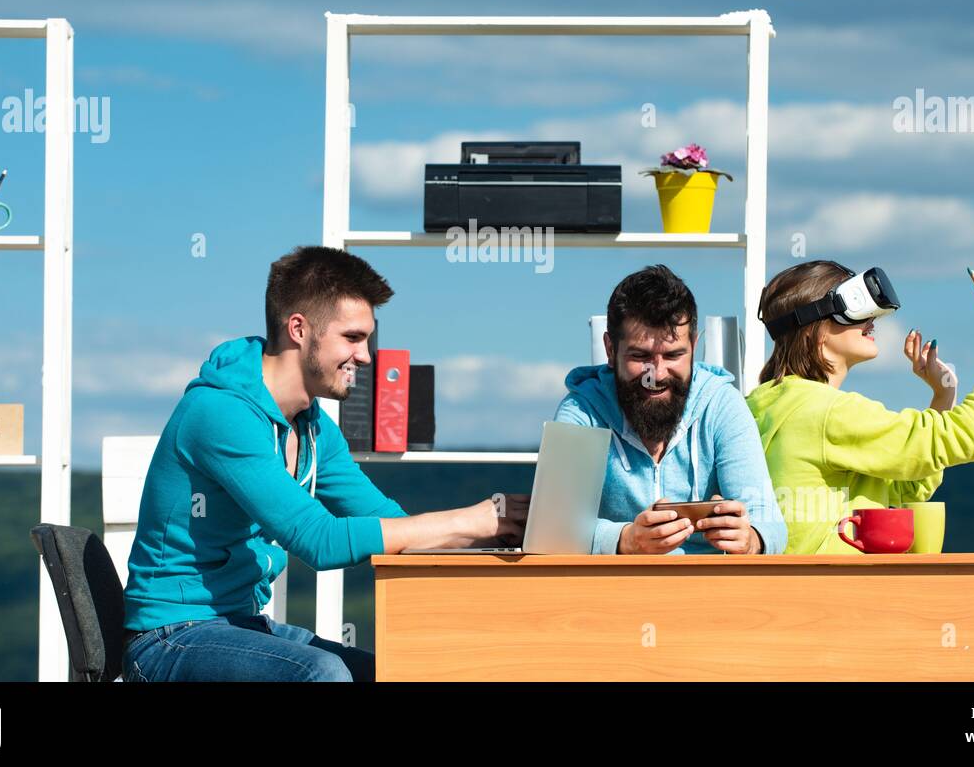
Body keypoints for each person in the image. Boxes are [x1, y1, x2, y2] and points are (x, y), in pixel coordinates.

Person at [121, 245, 527, 681]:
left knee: (394, 672)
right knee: (322, 673)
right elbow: (317, 540)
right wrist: (469, 520)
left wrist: (506, 531)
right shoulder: (221, 413)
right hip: (169, 636)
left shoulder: (313, 428)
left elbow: (387, 521)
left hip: (240, 624)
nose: (367, 356)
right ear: (299, 328)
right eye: (352, 338)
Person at [745, 258, 974, 554]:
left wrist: (943, 396)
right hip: (833, 591)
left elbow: (906, 485)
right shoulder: (829, 413)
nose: (872, 320)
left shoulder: (762, 405)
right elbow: (970, 433)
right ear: (814, 328)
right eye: (854, 305)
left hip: (784, 590)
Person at [554, 265, 787, 555]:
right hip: (614, 589)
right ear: (610, 350)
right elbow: (555, 527)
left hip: (707, 592)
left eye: (674, 355)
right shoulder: (582, 410)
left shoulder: (722, 403)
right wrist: (626, 540)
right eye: (640, 356)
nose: (658, 373)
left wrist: (752, 539)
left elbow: (771, 523)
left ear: (694, 345)